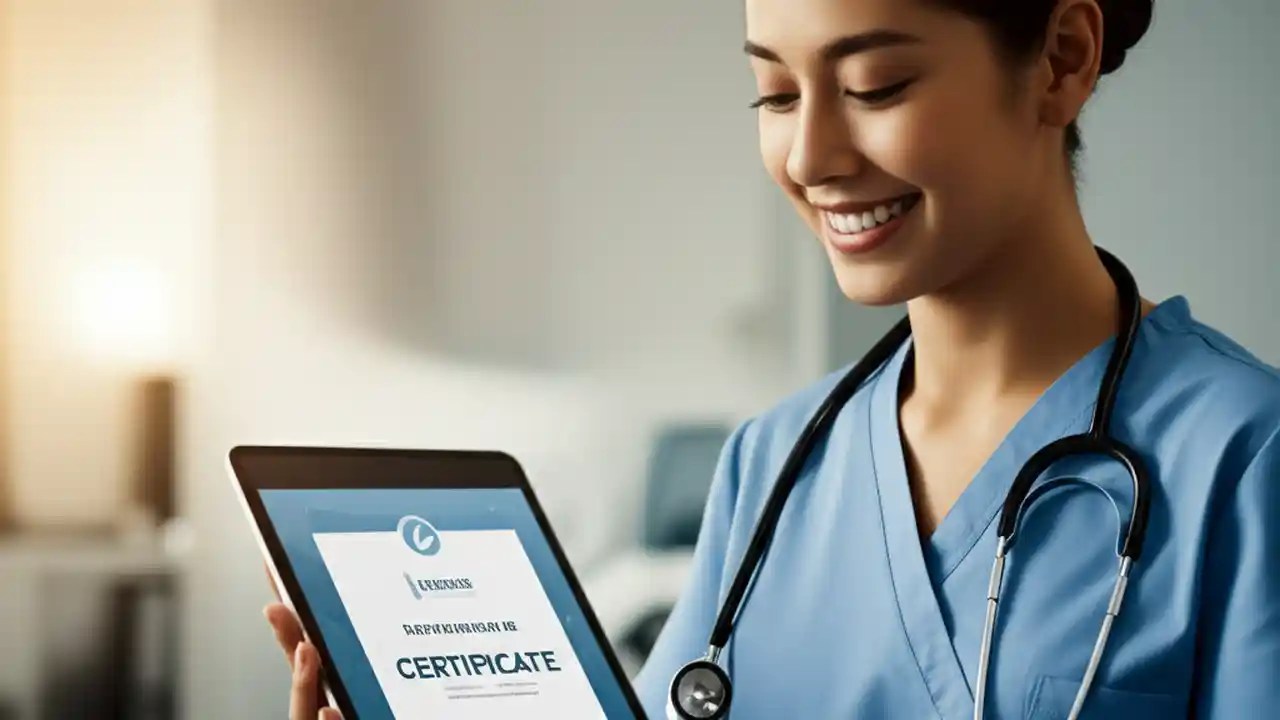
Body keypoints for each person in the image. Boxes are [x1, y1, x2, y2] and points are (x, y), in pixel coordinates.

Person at [264, 0, 1280, 717]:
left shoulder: (1242, 456)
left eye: (875, 85)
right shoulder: (773, 461)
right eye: (776, 95)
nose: (809, 157)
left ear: (1061, 58)